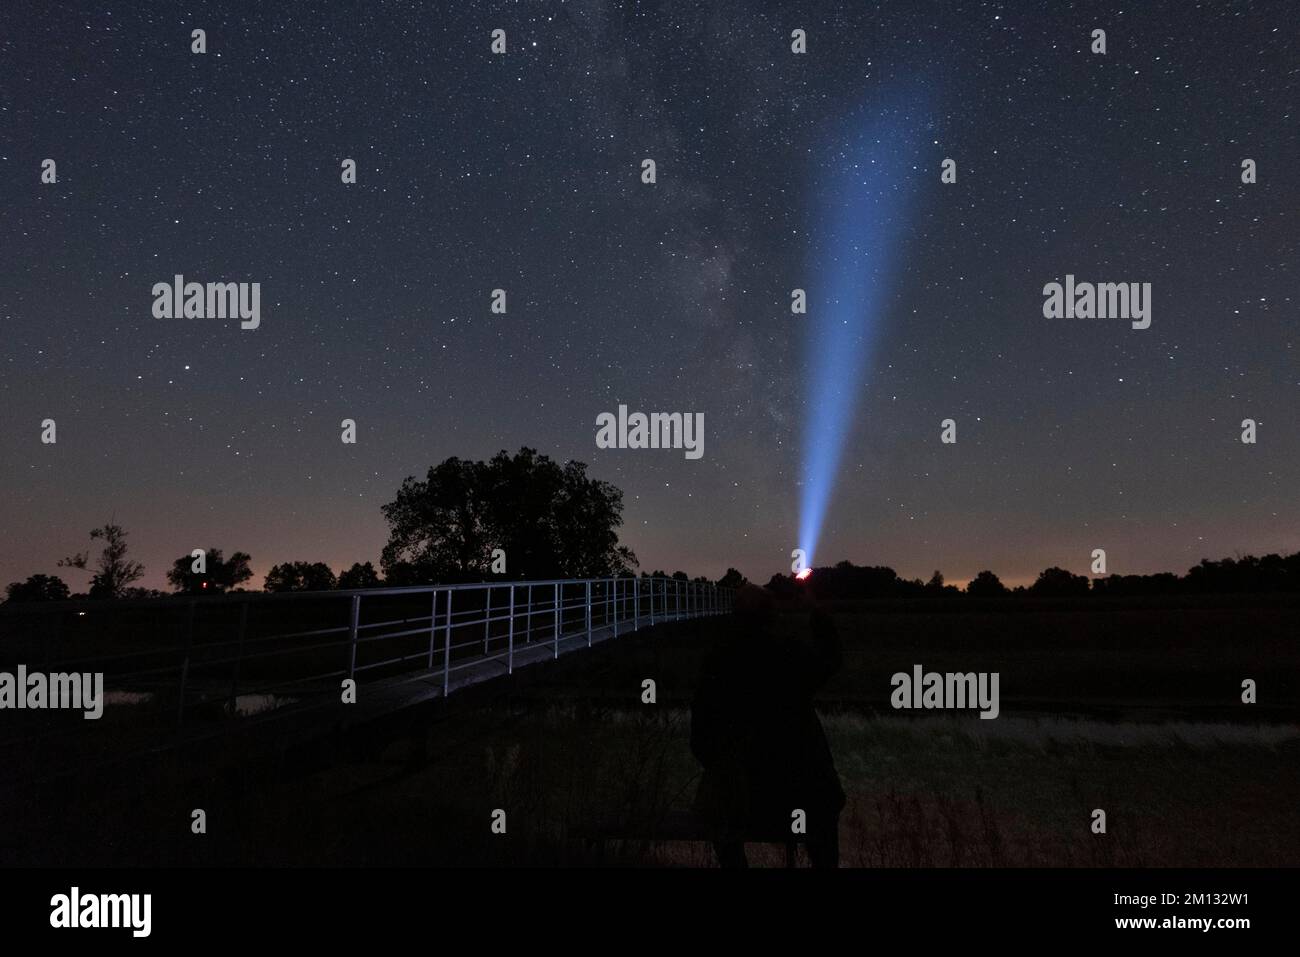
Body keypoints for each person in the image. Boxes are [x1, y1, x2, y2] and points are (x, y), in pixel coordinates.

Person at [690, 583, 845, 867]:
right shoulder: (788, 654)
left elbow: (699, 738)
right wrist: (817, 612)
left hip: (743, 801)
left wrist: (728, 769)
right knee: (824, 811)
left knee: (720, 814)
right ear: (772, 617)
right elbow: (830, 660)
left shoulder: (717, 662)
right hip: (802, 792)